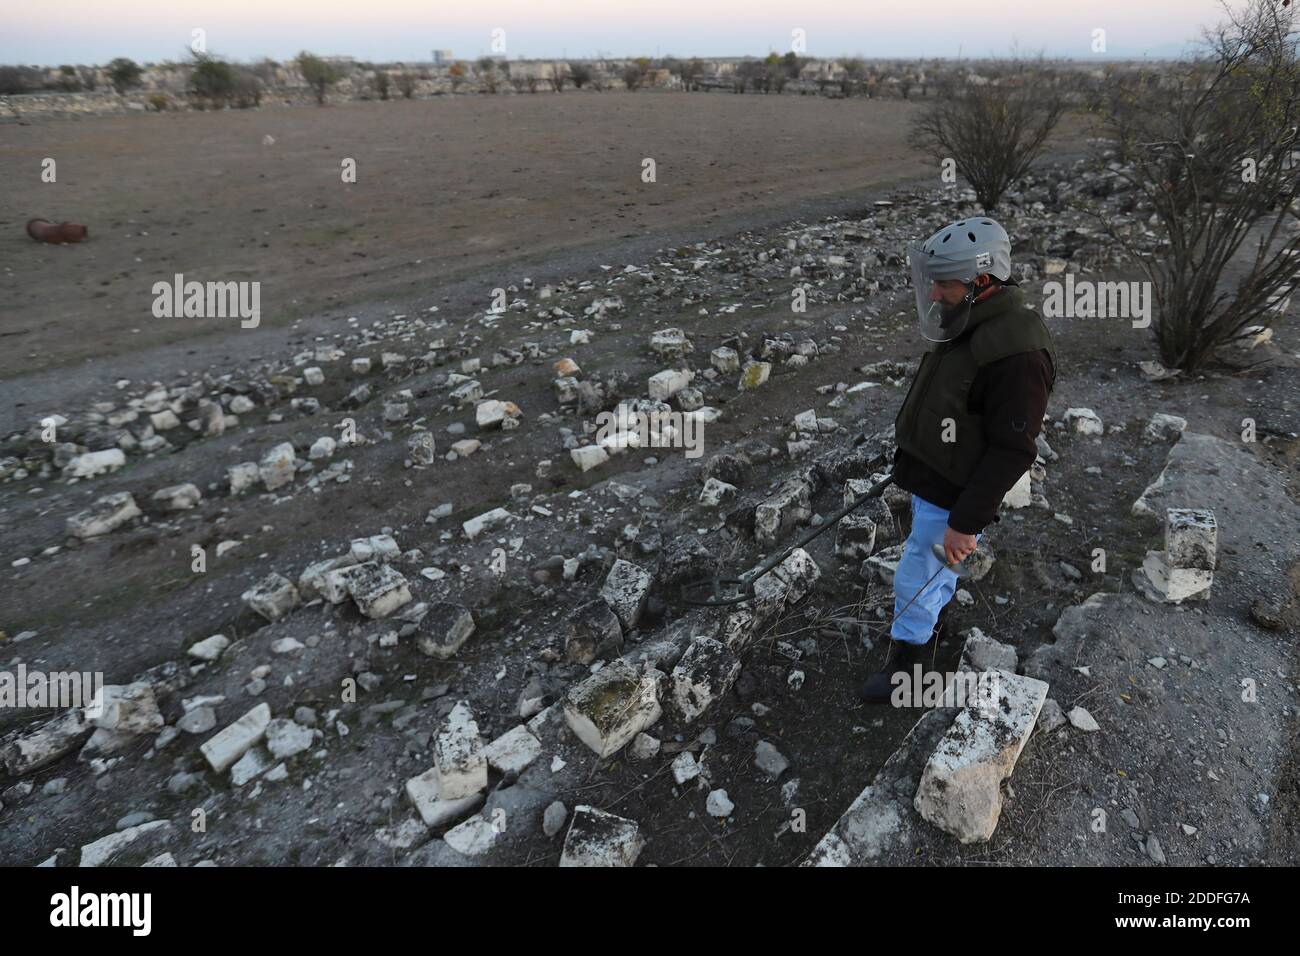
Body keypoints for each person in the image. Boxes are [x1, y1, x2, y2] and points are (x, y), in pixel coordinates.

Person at [861, 217, 1057, 704]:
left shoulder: (1017, 354)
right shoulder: (973, 321)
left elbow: (1013, 448)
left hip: (956, 494)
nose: (933, 296)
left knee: (917, 571)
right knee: (931, 571)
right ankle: (932, 624)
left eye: (943, 285)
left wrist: (965, 524)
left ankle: (909, 672)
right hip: (938, 479)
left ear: (982, 282)